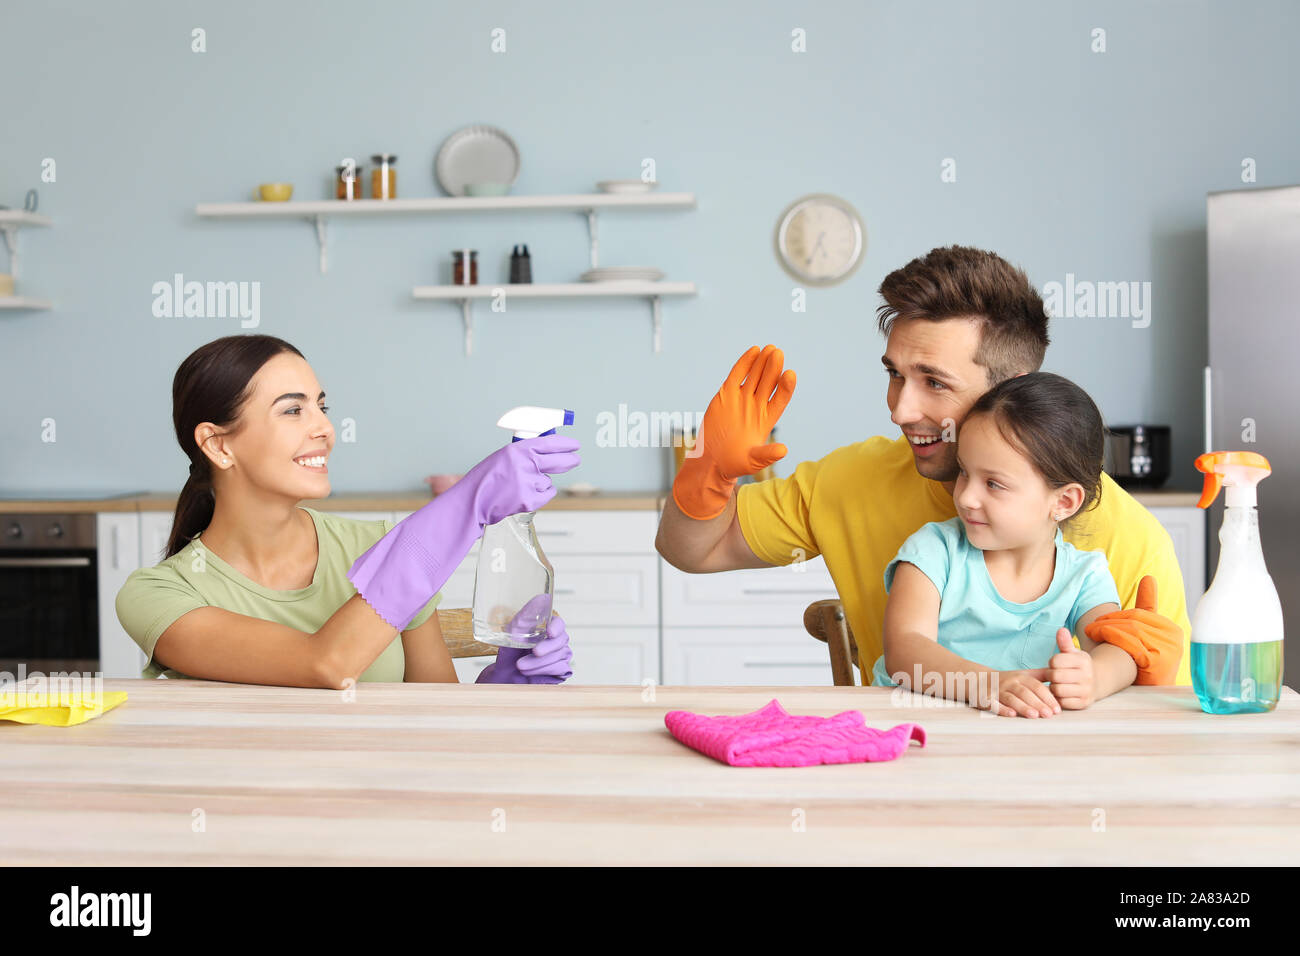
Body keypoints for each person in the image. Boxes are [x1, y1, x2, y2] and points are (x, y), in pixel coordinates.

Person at [656, 245, 1190, 689]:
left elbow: (1163, 731)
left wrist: (1145, 677)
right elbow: (691, 550)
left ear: (1014, 386)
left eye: (934, 382)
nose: (900, 410)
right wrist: (708, 471)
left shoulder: (1126, 538)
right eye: (895, 374)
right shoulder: (850, 481)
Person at [116, 334, 580, 688]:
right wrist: (466, 503)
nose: (325, 428)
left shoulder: (377, 547)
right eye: (292, 412)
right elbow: (326, 663)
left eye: (321, 407)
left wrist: (505, 686)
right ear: (217, 444)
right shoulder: (159, 596)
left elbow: (437, 717)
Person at [875, 371, 1181, 716]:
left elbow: (1117, 651)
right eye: (964, 471)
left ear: (1063, 502)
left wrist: (1094, 677)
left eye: (993, 484)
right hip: (916, 725)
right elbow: (905, 650)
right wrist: (988, 685)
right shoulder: (933, 551)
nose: (967, 496)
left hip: (1016, 737)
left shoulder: (1084, 574)